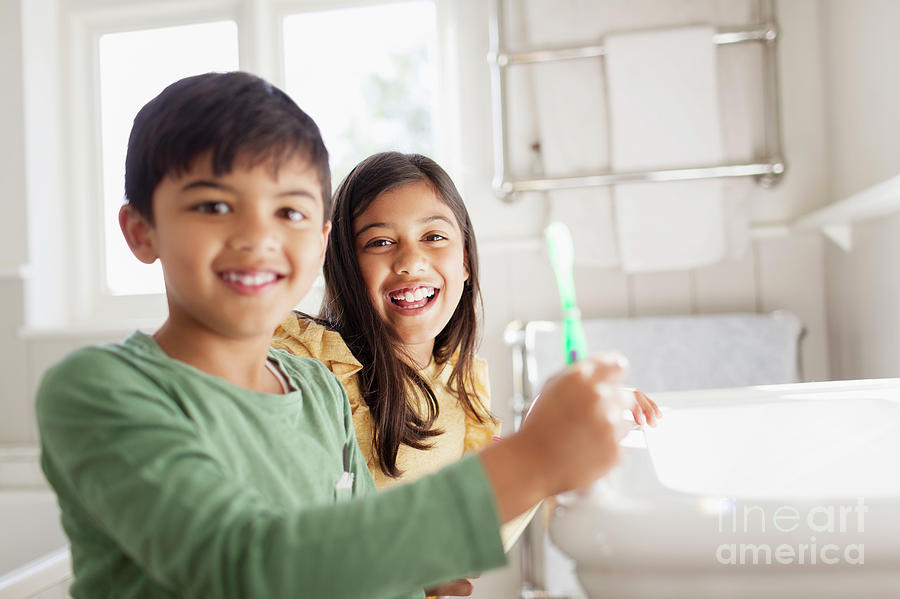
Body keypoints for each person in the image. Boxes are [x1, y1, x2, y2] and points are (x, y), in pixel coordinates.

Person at [36, 71, 631, 599]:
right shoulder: (99, 389)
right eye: (215, 206)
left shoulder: (317, 391)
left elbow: (362, 572)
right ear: (141, 231)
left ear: (319, 242)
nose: (257, 236)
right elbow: (243, 566)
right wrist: (531, 461)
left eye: (289, 211)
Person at [271, 152, 660, 596]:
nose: (411, 261)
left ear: (466, 262)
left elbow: (472, 539)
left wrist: (544, 436)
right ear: (343, 267)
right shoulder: (311, 370)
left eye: (434, 236)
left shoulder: (454, 390)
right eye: (379, 242)